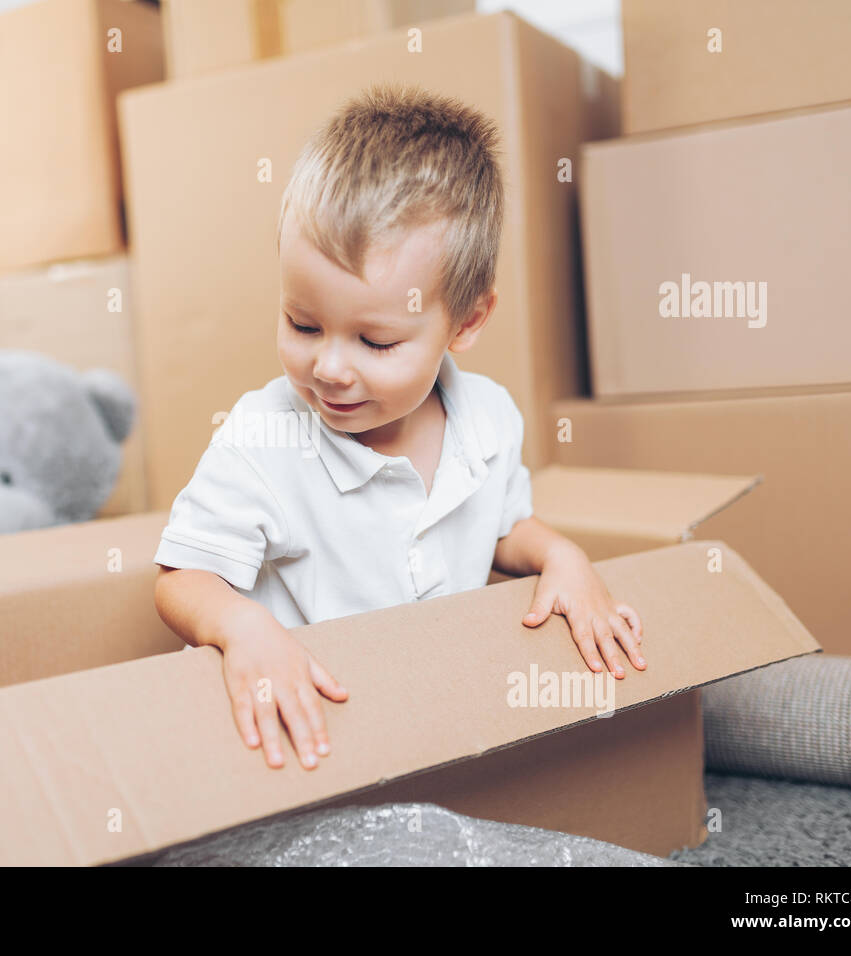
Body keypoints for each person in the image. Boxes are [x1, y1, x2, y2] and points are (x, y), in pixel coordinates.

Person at [153, 84, 645, 770]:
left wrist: (563, 556)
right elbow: (181, 576)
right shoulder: (265, 437)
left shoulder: (489, 420)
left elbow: (500, 527)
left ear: (467, 322)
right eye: (302, 323)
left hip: (438, 722)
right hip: (308, 740)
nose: (328, 366)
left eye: (375, 343)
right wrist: (243, 630)